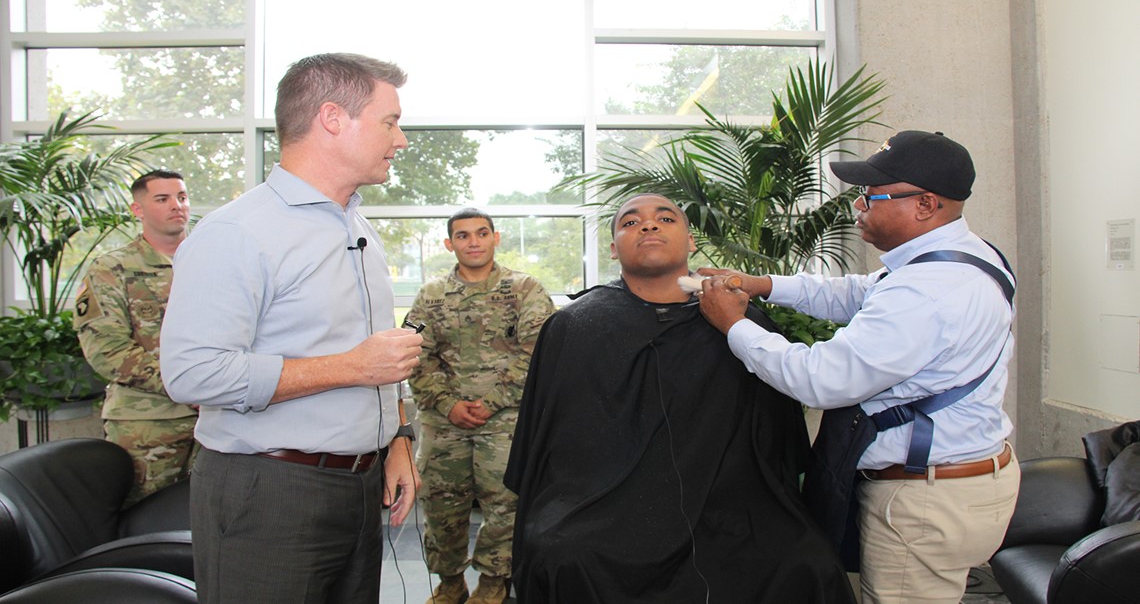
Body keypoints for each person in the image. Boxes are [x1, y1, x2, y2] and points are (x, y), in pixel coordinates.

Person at [697, 130, 1021, 604]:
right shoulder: (962, 256)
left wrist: (734, 326)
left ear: (926, 205)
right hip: (962, 480)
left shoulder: (928, 290)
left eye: (872, 195)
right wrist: (763, 283)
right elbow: (857, 294)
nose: (858, 207)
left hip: (924, 503)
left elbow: (820, 379)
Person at [159, 52, 424, 604]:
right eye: (390, 121)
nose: (400, 141)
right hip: (269, 490)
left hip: (359, 484)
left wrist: (396, 441)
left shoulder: (358, 226)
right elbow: (192, 373)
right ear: (332, 118)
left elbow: (379, 356)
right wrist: (351, 368)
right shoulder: (236, 232)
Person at [503, 194, 856, 604]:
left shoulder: (742, 322)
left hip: (733, 507)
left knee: (807, 562)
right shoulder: (575, 326)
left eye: (665, 218)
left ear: (690, 241)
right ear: (614, 249)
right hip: (607, 507)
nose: (649, 226)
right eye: (631, 222)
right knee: (565, 555)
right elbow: (549, 449)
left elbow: (776, 443)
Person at [405, 208, 555, 604]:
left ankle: (494, 581)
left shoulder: (524, 289)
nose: (473, 241)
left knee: (506, 504)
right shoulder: (431, 295)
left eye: (481, 233)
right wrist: (448, 403)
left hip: (506, 421)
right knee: (441, 505)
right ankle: (450, 581)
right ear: (449, 243)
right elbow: (415, 352)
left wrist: (489, 403)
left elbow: (539, 353)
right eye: (463, 235)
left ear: (495, 238)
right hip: (444, 422)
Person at [74, 169, 197, 506]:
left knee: (211, 521)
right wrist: (187, 384)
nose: (177, 206)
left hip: (217, 420)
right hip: (147, 424)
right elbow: (107, 350)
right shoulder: (113, 269)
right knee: (142, 521)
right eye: (162, 199)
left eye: (182, 197)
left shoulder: (212, 261)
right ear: (137, 210)